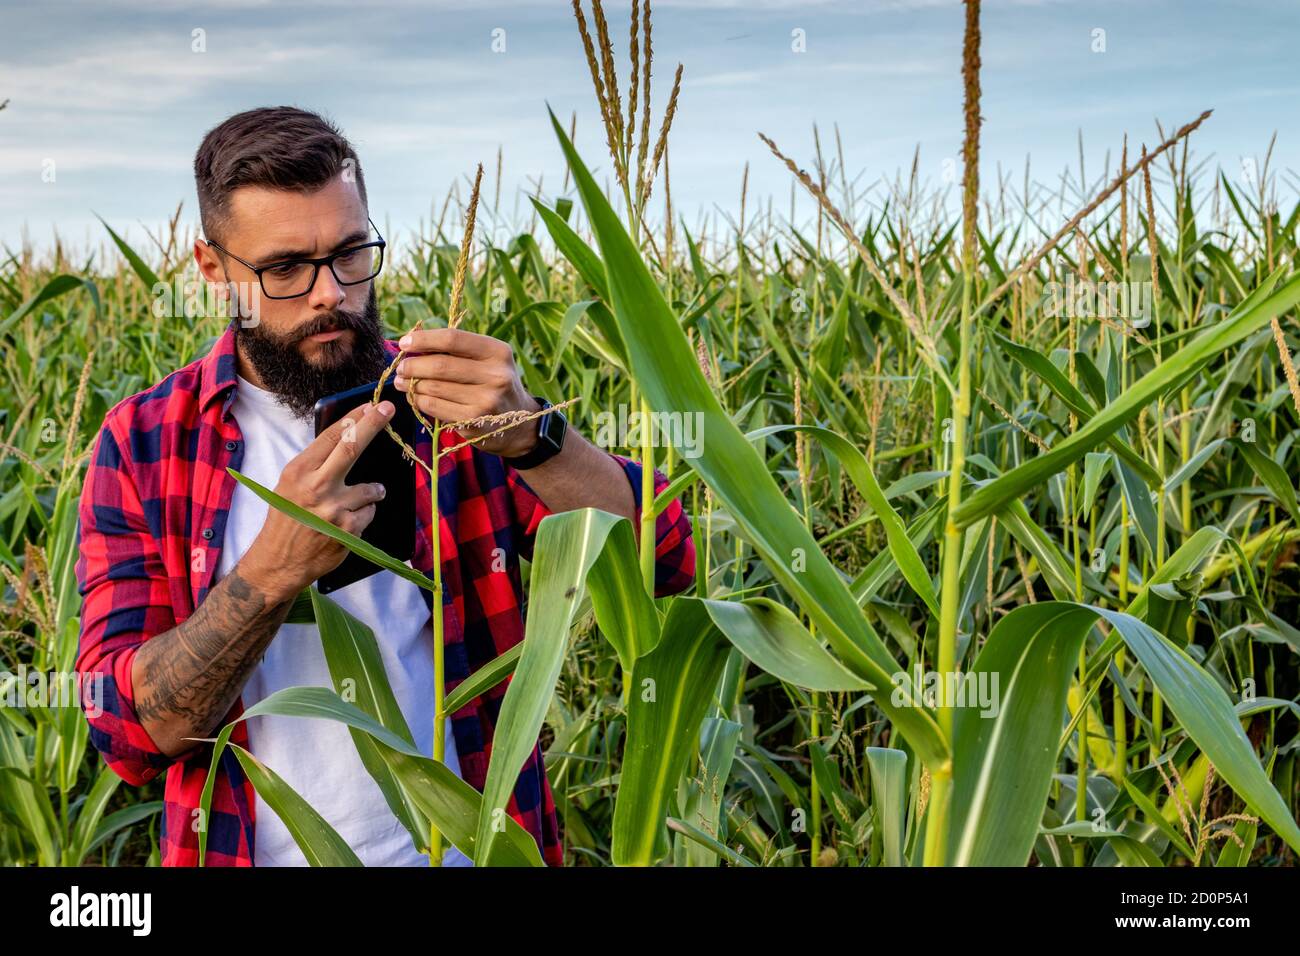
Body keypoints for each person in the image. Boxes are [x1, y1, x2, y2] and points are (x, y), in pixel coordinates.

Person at [73, 106, 696, 867]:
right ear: (213, 270)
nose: (330, 292)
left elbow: (664, 564)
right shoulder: (147, 444)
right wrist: (274, 571)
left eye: (350, 253)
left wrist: (536, 436)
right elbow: (130, 733)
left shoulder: (451, 405)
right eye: (285, 269)